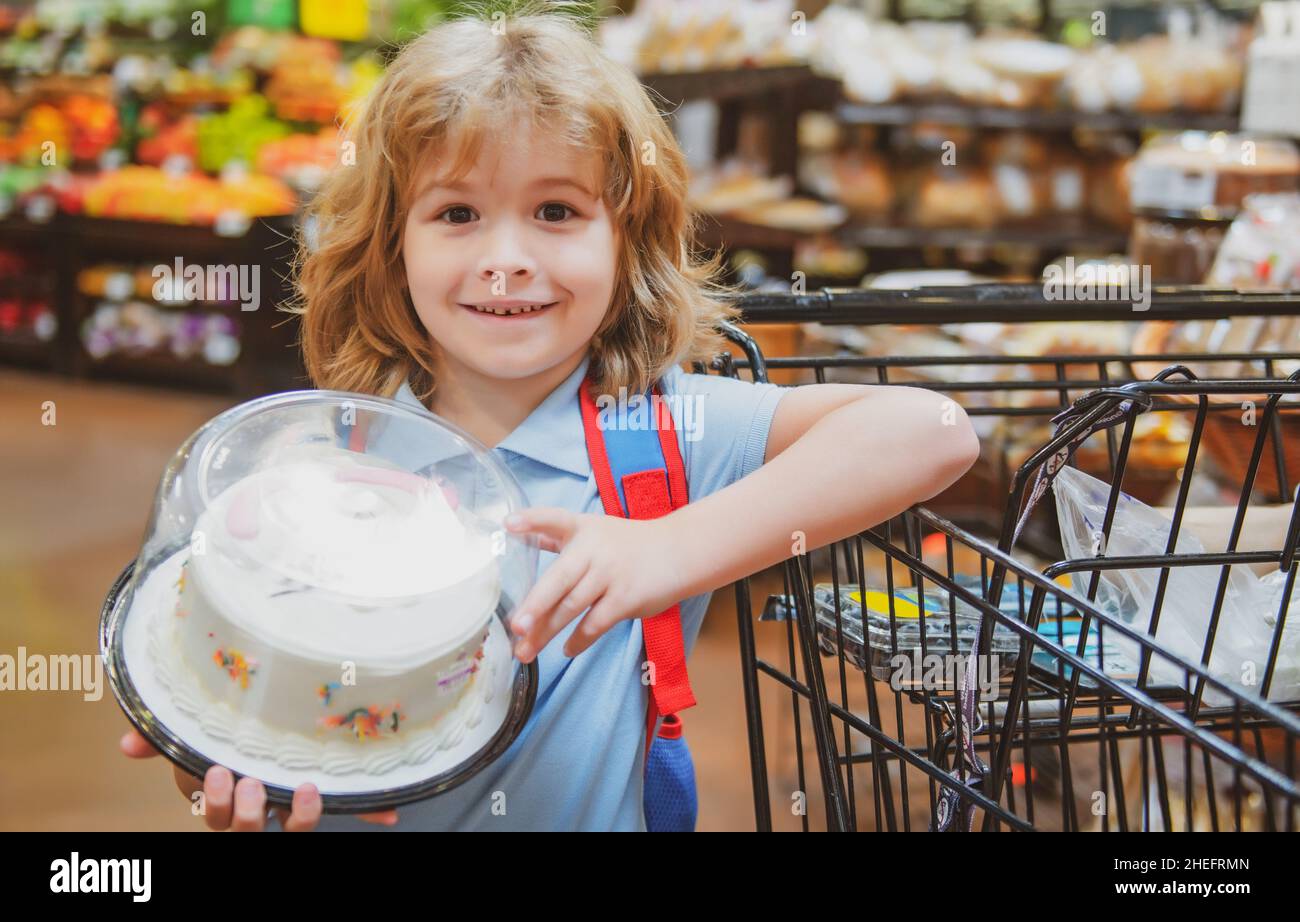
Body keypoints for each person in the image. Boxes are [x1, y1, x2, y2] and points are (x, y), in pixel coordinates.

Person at [120, 1, 980, 831]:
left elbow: (934, 433)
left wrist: (672, 546)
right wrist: (233, 755)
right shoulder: (323, 464)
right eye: (457, 214)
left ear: (626, 238)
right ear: (392, 244)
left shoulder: (661, 435)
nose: (506, 261)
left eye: (557, 212)